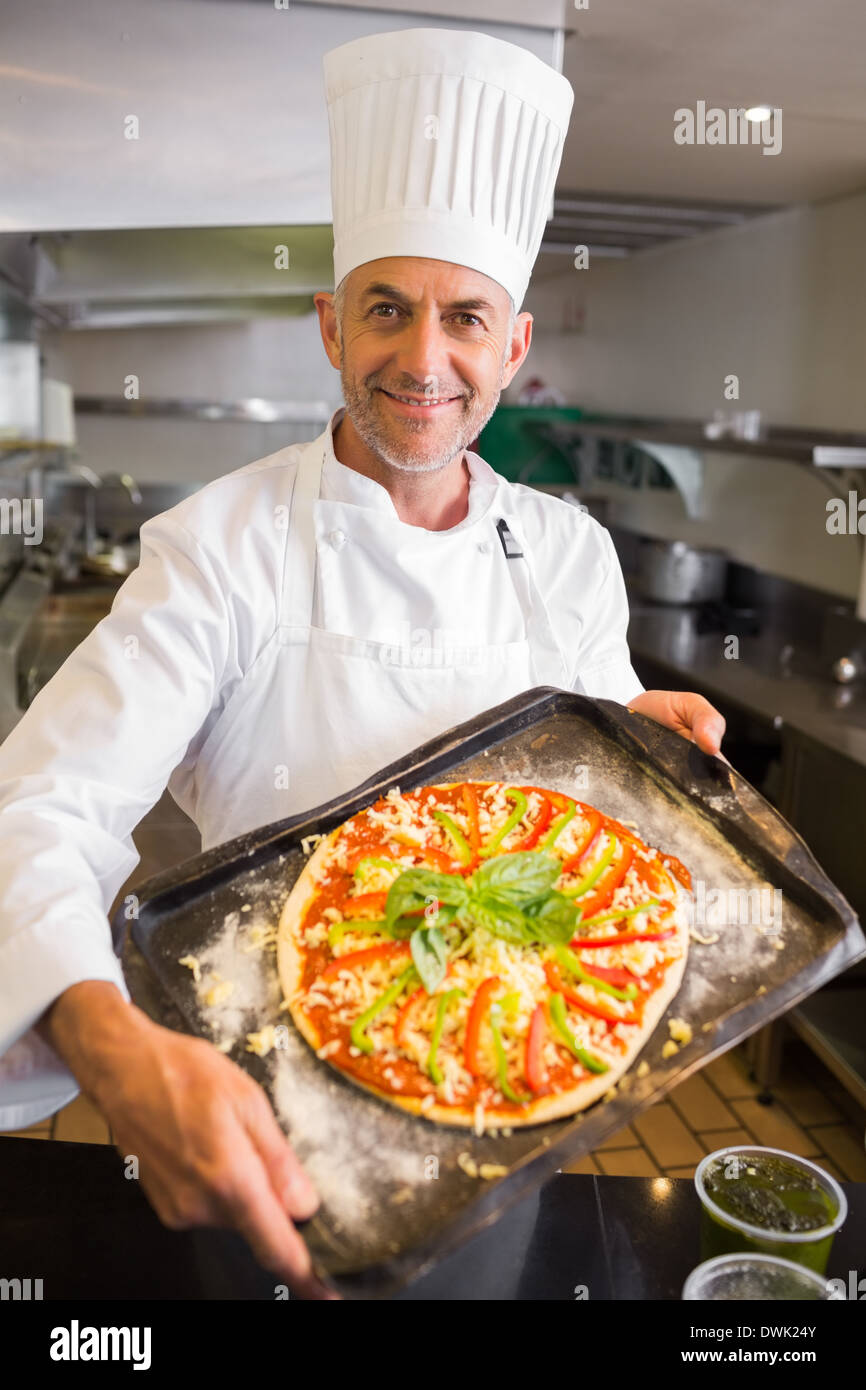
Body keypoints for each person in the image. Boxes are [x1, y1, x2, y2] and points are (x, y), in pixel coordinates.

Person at [0, 28, 724, 1299]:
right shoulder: (217, 548)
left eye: (465, 319)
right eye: (386, 309)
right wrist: (110, 1049)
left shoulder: (565, 552)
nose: (423, 360)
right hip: (277, 1115)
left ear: (513, 343)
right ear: (331, 326)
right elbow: (40, 807)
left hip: (513, 1082)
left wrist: (637, 740)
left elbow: (586, 782)